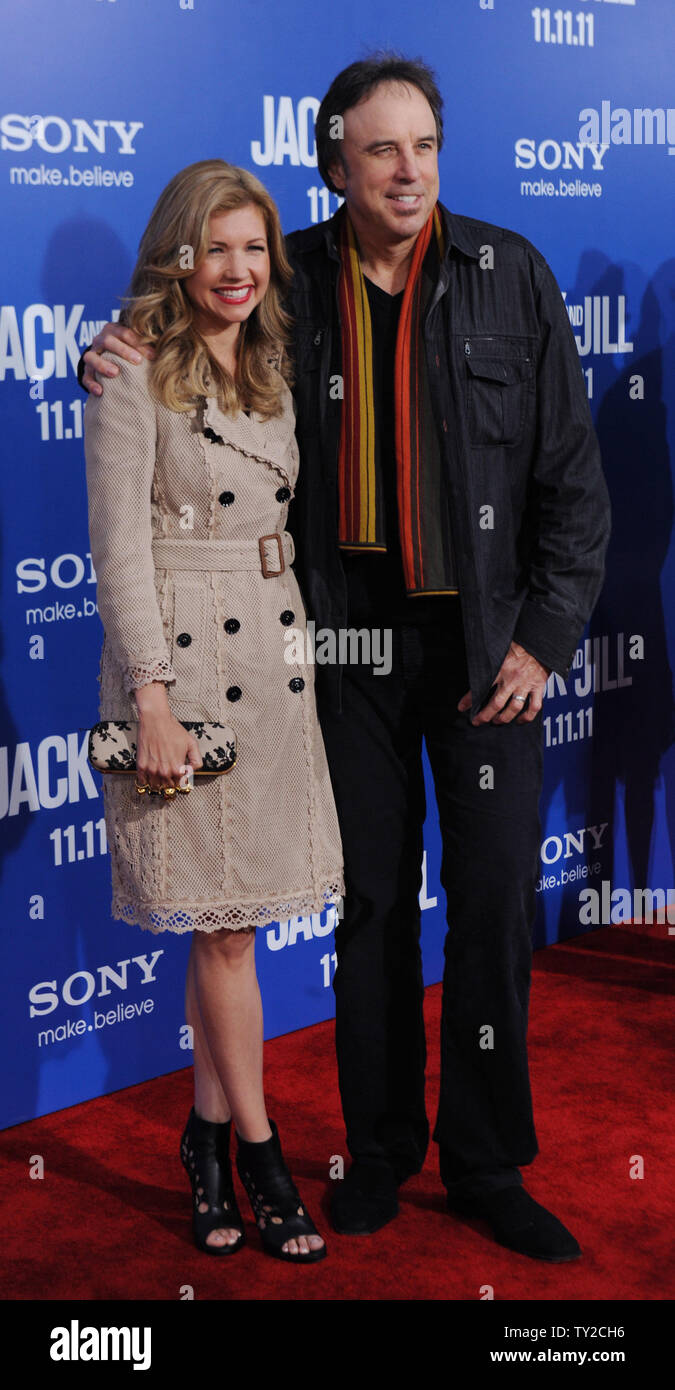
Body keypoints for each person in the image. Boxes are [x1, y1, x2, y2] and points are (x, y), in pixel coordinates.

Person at [81, 54, 611, 1263]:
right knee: (371, 903)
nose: (409, 171)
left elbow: (573, 482)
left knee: (491, 902)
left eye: (424, 146)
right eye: (382, 150)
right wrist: (103, 353)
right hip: (333, 649)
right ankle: (377, 1152)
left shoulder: (511, 274)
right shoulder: (291, 278)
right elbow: (183, 353)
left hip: (485, 648)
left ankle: (485, 1164)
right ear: (336, 166)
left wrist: (543, 638)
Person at [84, 159, 343, 1264]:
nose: (237, 269)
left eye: (254, 248)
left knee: (228, 924)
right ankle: (262, 1153)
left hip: (276, 651)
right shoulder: (130, 369)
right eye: (215, 249)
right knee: (227, 932)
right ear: (178, 257)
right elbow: (118, 551)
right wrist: (150, 698)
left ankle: (202, 1139)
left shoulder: (278, 360)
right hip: (182, 670)